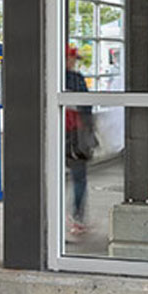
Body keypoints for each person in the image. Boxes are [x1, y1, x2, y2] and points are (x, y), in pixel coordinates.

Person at [65, 45, 95, 236]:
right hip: (75, 136)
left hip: (59, 134)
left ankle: (69, 216)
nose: (74, 62)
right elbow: (87, 106)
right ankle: (77, 217)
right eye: (72, 58)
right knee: (79, 178)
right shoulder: (76, 79)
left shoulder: (48, 76)